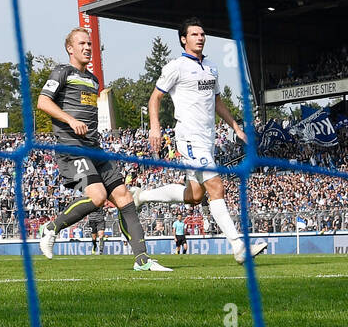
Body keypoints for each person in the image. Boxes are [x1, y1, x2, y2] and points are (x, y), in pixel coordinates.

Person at [35, 27, 170, 272]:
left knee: (124, 198)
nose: (88, 48)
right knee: (97, 197)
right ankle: (51, 227)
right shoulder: (61, 71)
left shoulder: (93, 80)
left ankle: (142, 260)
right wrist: (70, 120)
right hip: (71, 147)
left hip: (95, 148)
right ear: (70, 48)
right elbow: (43, 102)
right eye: (82, 44)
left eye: (90, 44)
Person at [133, 18, 268, 263]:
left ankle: (141, 197)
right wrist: (155, 127)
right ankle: (238, 247)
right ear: (184, 39)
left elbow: (217, 102)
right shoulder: (176, 67)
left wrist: (236, 127)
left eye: (202, 34)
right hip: (189, 136)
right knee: (216, 187)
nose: (200, 37)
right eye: (194, 34)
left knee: (195, 196)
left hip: (207, 138)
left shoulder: (212, 67)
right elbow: (155, 99)